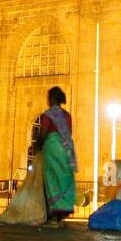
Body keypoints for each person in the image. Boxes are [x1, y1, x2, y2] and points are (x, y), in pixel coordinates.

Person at [38, 86, 78, 225]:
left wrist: (38, 146)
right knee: (64, 178)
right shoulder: (67, 115)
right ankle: (61, 213)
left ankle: (53, 215)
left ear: (52, 99)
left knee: (52, 179)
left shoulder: (48, 115)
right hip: (66, 149)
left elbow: (43, 133)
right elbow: (69, 132)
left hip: (53, 148)